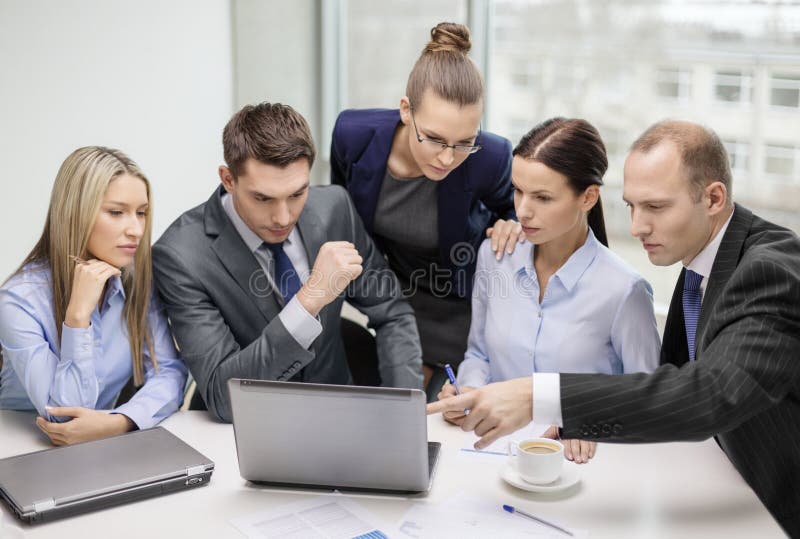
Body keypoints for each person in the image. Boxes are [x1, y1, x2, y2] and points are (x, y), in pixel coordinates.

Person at [428, 120, 800, 536]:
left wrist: (542, 397)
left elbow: (708, 393)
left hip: (777, 506)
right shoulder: (701, 269)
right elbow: (669, 383)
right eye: (631, 206)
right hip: (723, 491)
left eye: (656, 207)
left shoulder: (768, 270)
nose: (637, 227)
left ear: (713, 198)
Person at [152, 102, 423, 423]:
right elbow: (222, 397)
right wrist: (310, 300)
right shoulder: (181, 255)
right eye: (262, 198)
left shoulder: (335, 208)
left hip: (338, 422)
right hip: (242, 433)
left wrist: (405, 408)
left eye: (297, 194)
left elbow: (392, 312)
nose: (283, 217)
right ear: (228, 179)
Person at [438, 118, 660, 464]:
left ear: (587, 197)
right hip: (490, 455)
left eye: (542, 197)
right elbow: (479, 354)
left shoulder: (624, 291)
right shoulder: (495, 257)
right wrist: (470, 391)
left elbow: (649, 404)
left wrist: (588, 422)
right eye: (517, 190)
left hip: (579, 467)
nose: (522, 210)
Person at [330, 22, 521, 398]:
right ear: (405, 110)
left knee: (444, 412)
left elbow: (517, 209)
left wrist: (512, 224)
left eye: (464, 142)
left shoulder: (491, 157)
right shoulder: (352, 136)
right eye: (433, 138)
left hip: (460, 304)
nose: (448, 158)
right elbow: (342, 209)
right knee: (388, 399)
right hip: (395, 293)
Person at [0, 147, 188, 445]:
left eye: (141, 213)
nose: (137, 229)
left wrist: (121, 421)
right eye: (116, 212)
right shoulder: (19, 300)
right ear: (75, 212)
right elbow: (62, 417)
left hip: (99, 446)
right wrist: (77, 317)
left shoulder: (137, 279)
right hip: (20, 450)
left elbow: (170, 373)